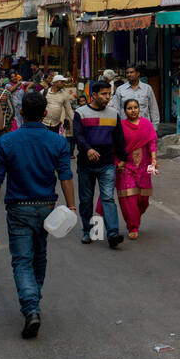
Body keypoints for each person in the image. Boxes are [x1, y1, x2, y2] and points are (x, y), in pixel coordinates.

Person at [0, 91, 77, 339]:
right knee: (39, 254)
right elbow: (65, 175)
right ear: (45, 113)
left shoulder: (7, 142)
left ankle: (31, 306)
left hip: (18, 207)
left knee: (22, 260)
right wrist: (71, 207)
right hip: (46, 206)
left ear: (21, 113)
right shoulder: (57, 142)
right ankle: (33, 298)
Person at [74, 80, 127, 247]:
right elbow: (78, 135)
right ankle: (87, 231)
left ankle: (112, 234)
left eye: (108, 94)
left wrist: (123, 159)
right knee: (86, 199)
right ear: (94, 95)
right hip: (85, 164)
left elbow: (119, 138)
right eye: (103, 94)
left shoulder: (113, 114)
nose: (107, 97)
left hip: (107, 164)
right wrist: (88, 149)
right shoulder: (81, 113)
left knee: (108, 198)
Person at [114, 97, 158, 239]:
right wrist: (118, 162)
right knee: (129, 197)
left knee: (143, 199)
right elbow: (116, 146)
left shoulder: (146, 124)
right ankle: (133, 226)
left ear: (139, 108)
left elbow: (152, 142)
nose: (133, 110)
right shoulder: (120, 126)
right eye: (129, 108)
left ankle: (135, 218)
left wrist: (154, 158)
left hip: (144, 166)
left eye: (135, 107)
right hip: (126, 166)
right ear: (124, 110)